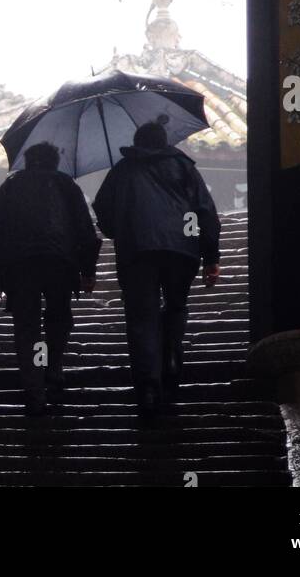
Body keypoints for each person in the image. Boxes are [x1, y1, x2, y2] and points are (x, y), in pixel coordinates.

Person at [93, 119, 221, 419]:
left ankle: (149, 387)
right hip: (182, 249)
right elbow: (205, 211)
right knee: (176, 307)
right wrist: (211, 257)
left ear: (137, 143)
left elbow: (102, 209)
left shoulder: (123, 170)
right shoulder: (183, 166)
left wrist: (120, 230)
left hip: (137, 251)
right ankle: (173, 361)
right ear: (165, 141)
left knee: (142, 317)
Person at [0, 141, 101, 416]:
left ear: (26, 160)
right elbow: (85, 230)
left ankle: (34, 388)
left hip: (20, 268)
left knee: (28, 326)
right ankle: (54, 367)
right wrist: (88, 271)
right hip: (60, 264)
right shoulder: (67, 186)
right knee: (58, 318)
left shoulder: (10, 187)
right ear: (54, 161)